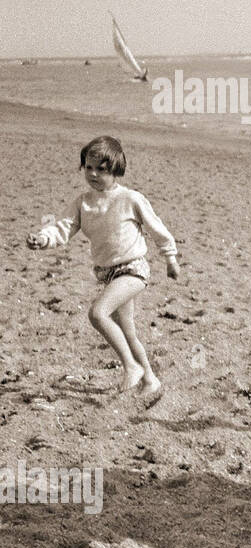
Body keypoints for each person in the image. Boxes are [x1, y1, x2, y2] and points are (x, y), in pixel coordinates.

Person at [27, 136, 180, 401]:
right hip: (109, 274)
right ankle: (150, 379)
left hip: (134, 269)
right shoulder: (83, 202)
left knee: (98, 314)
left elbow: (158, 229)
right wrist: (44, 239)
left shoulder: (130, 198)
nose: (94, 174)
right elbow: (63, 227)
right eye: (89, 167)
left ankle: (131, 367)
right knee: (127, 330)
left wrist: (170, 258)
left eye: (102, 169)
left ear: (116, 170)